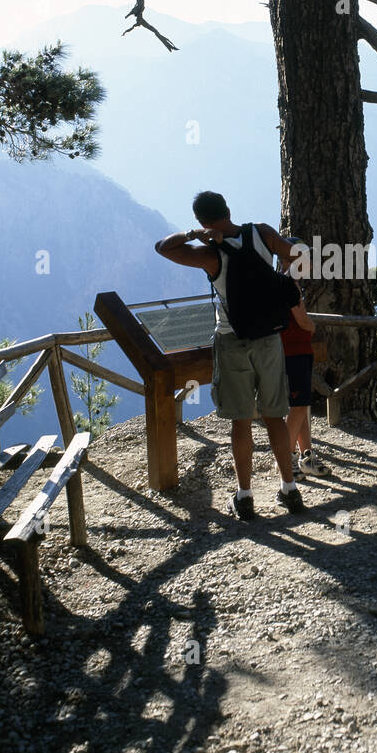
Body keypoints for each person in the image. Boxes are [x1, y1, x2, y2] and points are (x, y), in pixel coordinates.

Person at [155, 192, 308, 520]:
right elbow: (300, 256)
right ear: (228, 209)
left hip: (231, 338)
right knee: (275, 418)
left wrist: (194, 235)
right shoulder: (263, 233)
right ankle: (289, 489)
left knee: (241, 420)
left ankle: (245, 496)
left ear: (202, 221)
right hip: (269, 338)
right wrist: (286, 278)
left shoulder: (210, 255)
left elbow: (163, 247)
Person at [277, 239, 331, 480]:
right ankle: (286, 461)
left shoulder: (283, 281)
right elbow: (302, 320)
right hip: (295, 350)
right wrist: (312, 326)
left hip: (291, 350)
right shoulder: (290, 284)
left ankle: (305, 456)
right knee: (298, 407)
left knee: (300, 405)